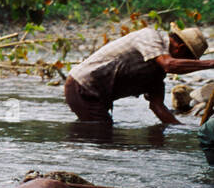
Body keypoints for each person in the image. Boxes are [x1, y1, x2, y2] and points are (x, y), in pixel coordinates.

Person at [64, 24, 213, 124]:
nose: (186, 65)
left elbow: (157, 107)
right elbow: (169, 64)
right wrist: (211, 63)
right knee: (100, 134)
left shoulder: (156, 74)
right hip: (82, 86)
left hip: (98, 96)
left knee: (98, 132)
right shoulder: (150, 37)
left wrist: (182, 129)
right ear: (179, 49)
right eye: (188, 61)